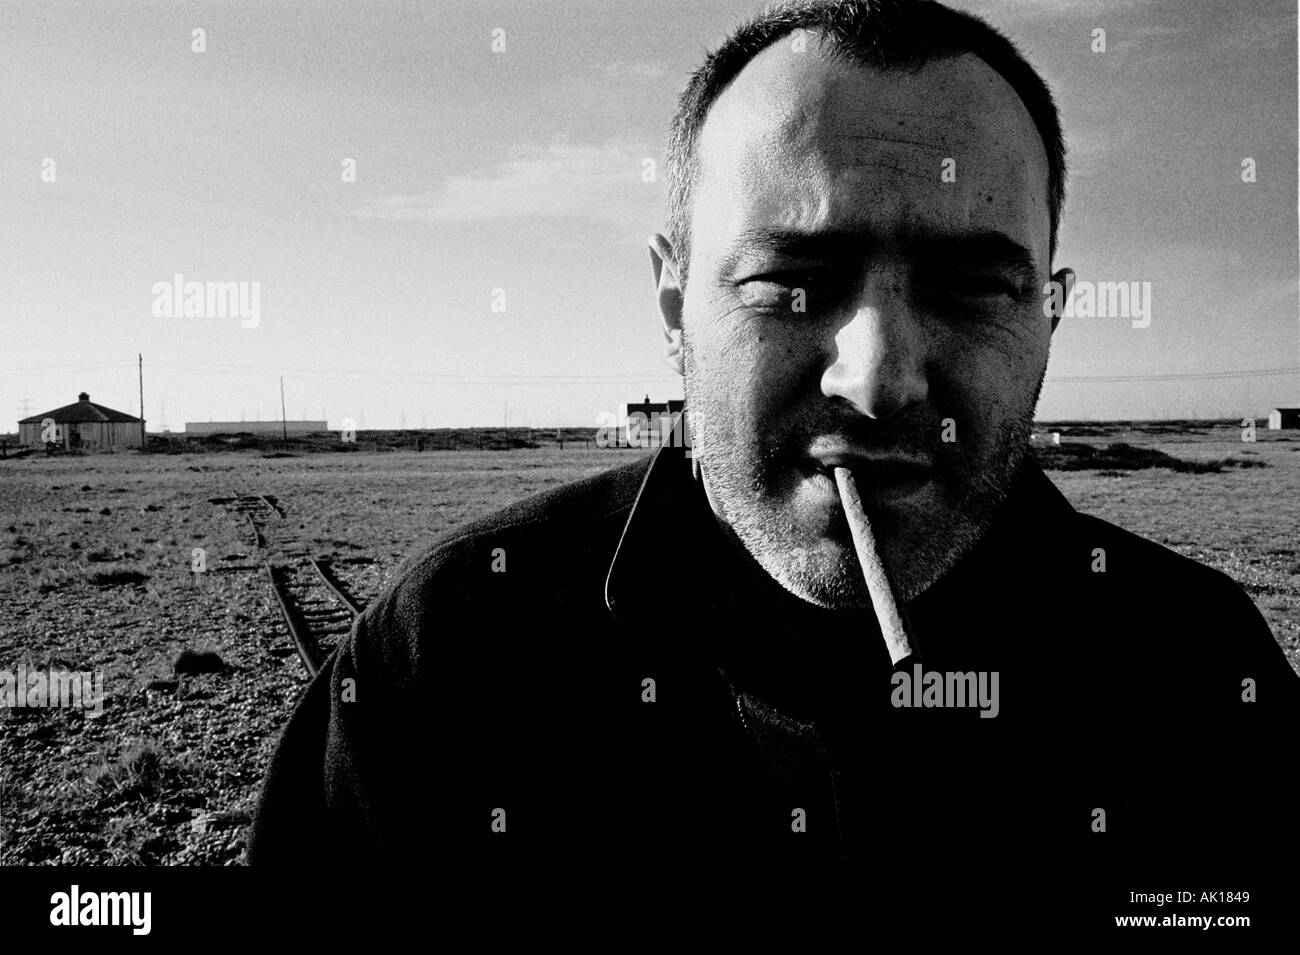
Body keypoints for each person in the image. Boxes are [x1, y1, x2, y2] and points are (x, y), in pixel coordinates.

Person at [251, 0, 1298, 913]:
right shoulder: (456, 653)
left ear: (1051, 314)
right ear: (675, 305)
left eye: (972, 287)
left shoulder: (1194, 677)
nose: (878, 377)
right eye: (795, 280)